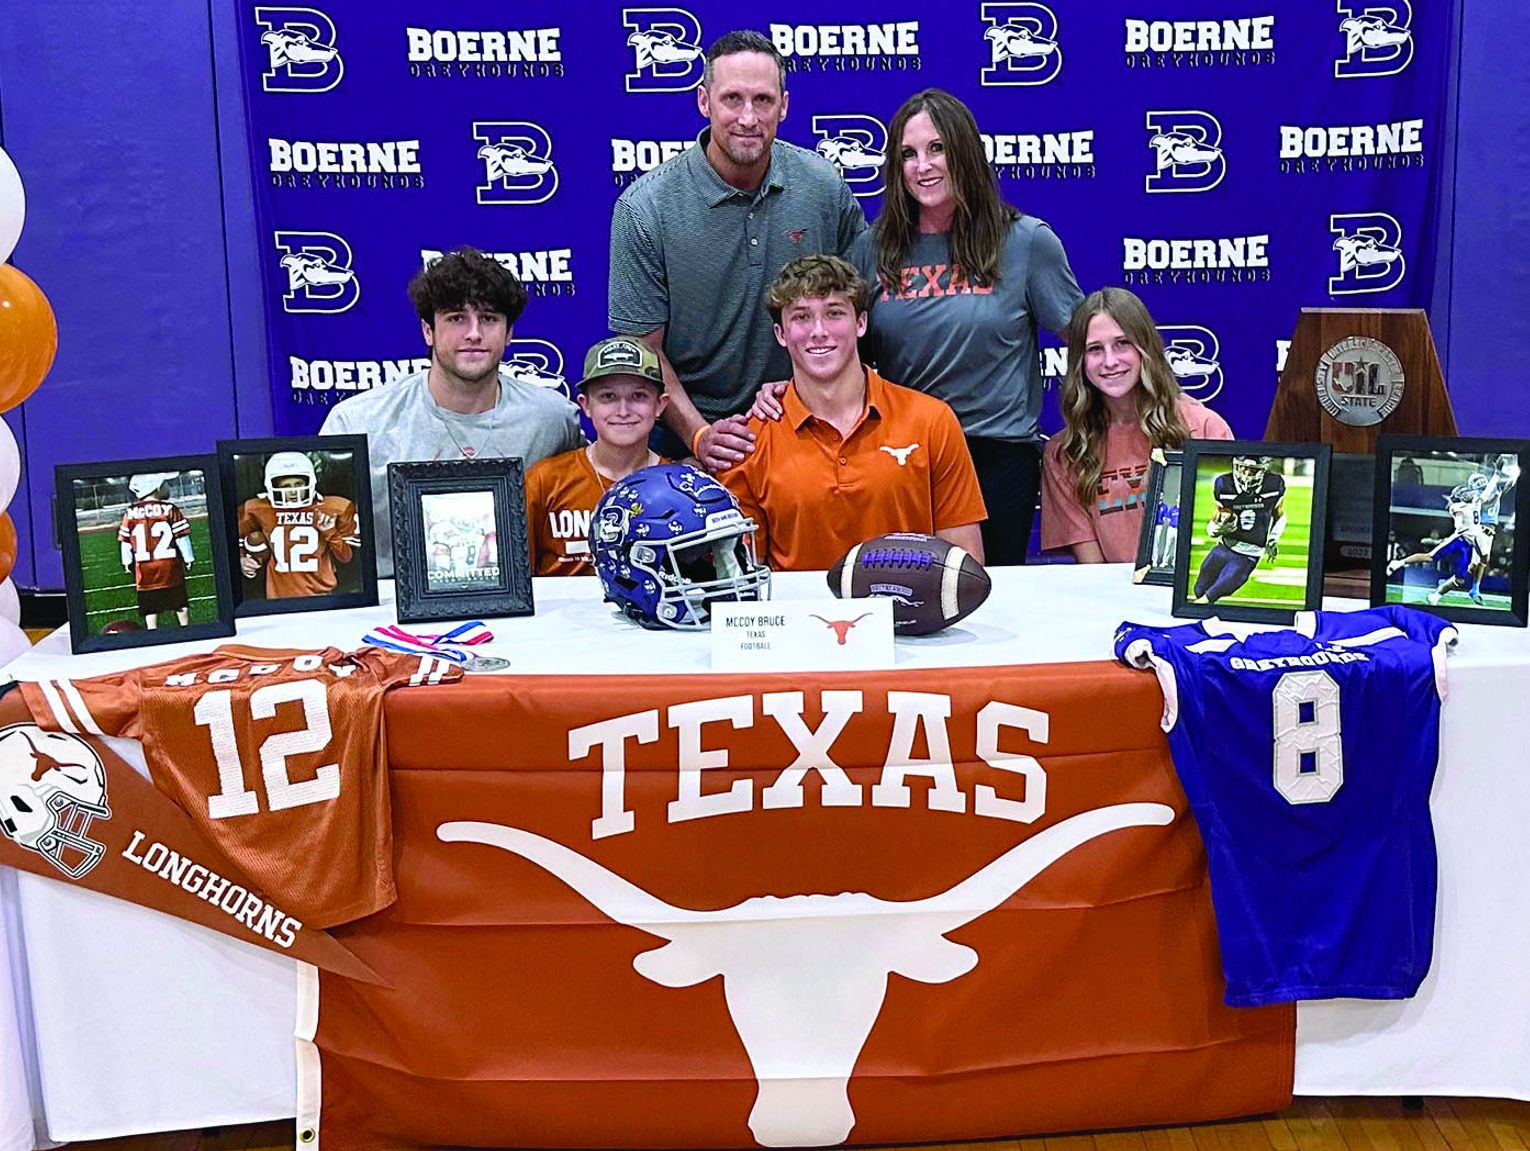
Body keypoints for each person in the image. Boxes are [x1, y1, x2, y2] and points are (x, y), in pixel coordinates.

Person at [608, 29, 866, 470]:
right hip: (693, 443)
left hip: (815, 428)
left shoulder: (823, 186)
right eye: (732, 99)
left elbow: (859, 310)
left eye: (763, 101)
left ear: (784, 105)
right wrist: (700, 435)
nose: (748, 117)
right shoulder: (644, 207)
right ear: (704, 101)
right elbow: (641, 349)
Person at [320, 246, 583, 577]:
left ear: (509, 333)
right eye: (456, 318)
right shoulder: (357, 423)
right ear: (428, 331)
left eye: (488, 319)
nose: (473, 333)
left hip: (520, 608)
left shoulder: (553, 420)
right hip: (392, 613)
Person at [713, 255, 986, 571]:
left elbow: (966, 566)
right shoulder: (748, 441)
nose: (819, 331)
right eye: (801, 317)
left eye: (834, 313)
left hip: (911, 617)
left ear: (861, 323)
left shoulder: (932, 422)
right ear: (780, 334)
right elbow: (746, 583)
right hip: (800, 619)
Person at [1041, 287, 1234, 563]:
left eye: (1122, 344)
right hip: (1114, 601)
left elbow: (1222, 537)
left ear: (1146, 347)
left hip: (1192, 598)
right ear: (1080, 361)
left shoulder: (1204, 429)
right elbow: (1093, 572)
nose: (1110, 361)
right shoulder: (1064, 453)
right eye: (1095, 349)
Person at [526, 336, 671, 576]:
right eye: (608, 397)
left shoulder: (678, 488)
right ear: (586, 405)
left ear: (660, 405)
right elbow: (518, 579)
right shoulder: (544, 481)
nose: (623, 411)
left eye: (639, 396)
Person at [1386, 456, 1519, 604]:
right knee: (1432, 557)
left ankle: (1441, 593)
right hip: (1464, 537)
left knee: (1464, 575)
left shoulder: (1477, 501)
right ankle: (1399, 563)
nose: (1470, 493)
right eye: (1466, 493)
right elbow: (1465, 514)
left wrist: (1500, 475)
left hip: (1473, 540)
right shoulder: (1461, 506)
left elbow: (1488, 494)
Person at [238, 451, 360, 598]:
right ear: (271, 486)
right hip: (278, 597)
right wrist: (242, 559)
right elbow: (233, 542)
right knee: (255, 538)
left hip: (322, 595)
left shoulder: (335, 508)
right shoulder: (256, 509)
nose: (294, 491)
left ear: (310, 481)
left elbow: (346, 558)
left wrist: (331, 532)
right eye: (286, 486)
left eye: (298, 484)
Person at [1191, 456, 1286, 604]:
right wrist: (1215, 528)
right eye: (1243, 468)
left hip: (1249, 552)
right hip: (1225, 546)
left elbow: (1278, 513)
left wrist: (1273, 538)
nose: (1247, 474)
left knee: (1212, 594)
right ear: (1236, 466)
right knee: (1199, 589)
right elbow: (1219, 512)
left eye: (1253, 470)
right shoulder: (1224, 484)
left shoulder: (1274, 484)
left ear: (1263, 470)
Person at [117, 473, 193, 629]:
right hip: (169, 566)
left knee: (150, 606)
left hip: (144, 569)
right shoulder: (170, 509)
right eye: (165, 483)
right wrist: (188, 557)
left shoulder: (130, 512)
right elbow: (181, 538)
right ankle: (185, 627)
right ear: (157, 487)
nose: (168, 487)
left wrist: (126, 561)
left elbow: (125, 542)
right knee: (179, 602)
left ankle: (152, 631)